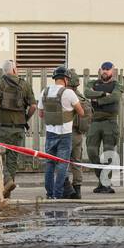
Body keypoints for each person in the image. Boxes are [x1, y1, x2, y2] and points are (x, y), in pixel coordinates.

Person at [37, 66, 86, 200]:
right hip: (65, 134)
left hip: (50, 133)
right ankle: (58, 194)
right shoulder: (69, 93)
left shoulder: (44, 92)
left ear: (55, 78)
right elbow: (82, 113)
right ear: (65, 79)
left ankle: (49, 194)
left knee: (50, 164)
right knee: (62, 164)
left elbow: (40, 114)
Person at [0, 58, 35, 196]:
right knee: (12, 160)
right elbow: (33, 106)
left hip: (3, 128)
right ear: (15, 70)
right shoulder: (25, 85)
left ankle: (7, 180)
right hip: (19, 129)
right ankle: (7, 192)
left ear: (5, 71)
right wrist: (25, 118)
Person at [85, 62, 123, 193]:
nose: (105, 71)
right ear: (100, 70)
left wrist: (98, 100)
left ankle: (105, 183)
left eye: (108, 69)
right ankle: (101, 179)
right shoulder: (92, 83)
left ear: (112, 71)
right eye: (103, 69)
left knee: (108, 153)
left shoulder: (117, 84)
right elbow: (87, 93)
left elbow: (116, 96)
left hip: (110, 122)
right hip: (95, 121)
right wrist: (104, 94)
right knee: (91, 152)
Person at [61, 69, 91, 200]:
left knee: (61, 161)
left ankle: (67, 188)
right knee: (76, 161)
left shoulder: (68, 96)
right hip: (79, 134)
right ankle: (77, 189)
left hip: (68, 132)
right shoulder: (82, 97)